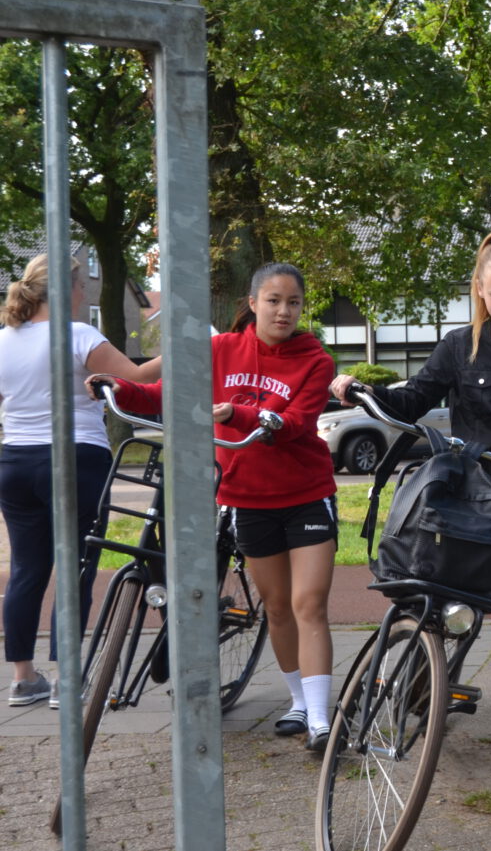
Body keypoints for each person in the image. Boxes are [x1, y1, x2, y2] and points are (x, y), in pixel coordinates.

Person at [330, 230, 491, 807]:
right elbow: (411, 400)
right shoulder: (458, 347)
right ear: (479, 290)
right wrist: (357, 388)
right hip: (484, 504)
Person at [97, 262, 339, 747]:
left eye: (293, 302)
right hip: (246, 497)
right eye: (273, 301)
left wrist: (242, 412)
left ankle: (320, 719)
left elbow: (294, 421)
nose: (283, 311)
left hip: (306, 495)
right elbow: (162, 395)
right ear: (252, 304)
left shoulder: (316, 360)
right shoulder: (219, 351)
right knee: (276, 607)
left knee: (307, 603)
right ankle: (296, 701)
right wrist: (115, 387)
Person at [1, 254, 160, 708]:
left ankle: (23, 678)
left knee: (27, 570)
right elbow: (137, 377)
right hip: (75, 458)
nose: (84, 294)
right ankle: (67, 677)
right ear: (70, 289)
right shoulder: (78, 335)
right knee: (78, 566)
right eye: (81, 287)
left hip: (15, 461)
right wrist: (192, 347)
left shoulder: (3, 341)